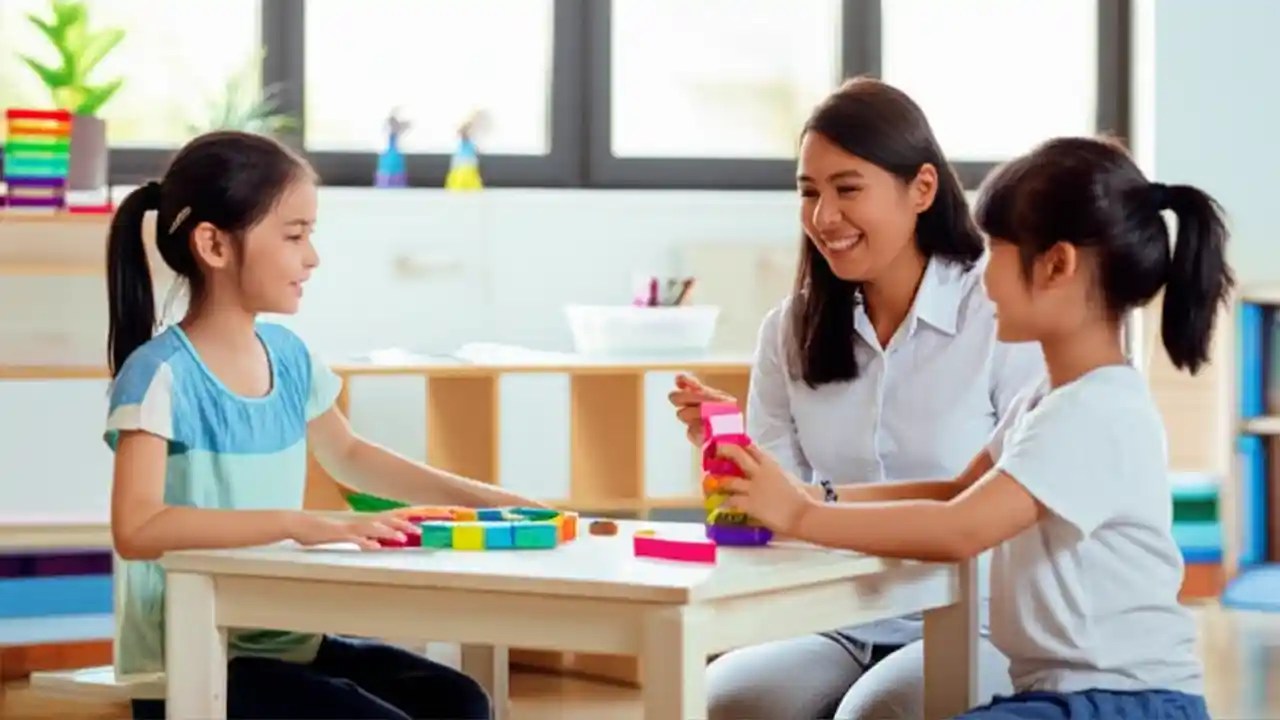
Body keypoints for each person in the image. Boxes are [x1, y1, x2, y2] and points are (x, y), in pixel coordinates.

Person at [715, 136, 1227, 720]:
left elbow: (961, 528)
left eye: (999, 251)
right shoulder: (1050, 397)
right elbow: (957, 491)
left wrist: (802, 517)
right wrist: (809, 495)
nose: (984, 278)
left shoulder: (1095, 412)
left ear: (1057, 264)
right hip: (1064, 697)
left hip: (1122, 704)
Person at [106, 131, 539, 720]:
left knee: (459, 701)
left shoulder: (288, 355)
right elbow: (137, 527)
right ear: (213, 244)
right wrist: (299, 523)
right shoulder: (159, 375)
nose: (312, 257)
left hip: (285, 646)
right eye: (294, 235)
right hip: (195, 661)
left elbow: (350, 455)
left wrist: (485, 500)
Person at [670, 77, 1043, 719]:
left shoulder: (998, 314)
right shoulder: (790, 329)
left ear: (921, 189)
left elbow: (994, 501)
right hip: (839, 617)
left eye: (847, 189)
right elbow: (777, 512)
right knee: (728, 698)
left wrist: (811, 505)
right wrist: (728, 449)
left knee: (879, 712)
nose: (823, 217)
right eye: (809, 193)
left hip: (979, 616)